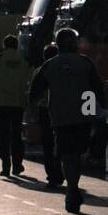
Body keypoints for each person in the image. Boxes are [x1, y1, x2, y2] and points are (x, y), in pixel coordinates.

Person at [29, 27, 106, 213]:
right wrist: (96, 113)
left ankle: (72, 189)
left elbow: (34, 92)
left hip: (60, 118)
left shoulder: (49, 65)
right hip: (83, 117)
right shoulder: (85, 63)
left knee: (66, 155)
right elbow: (98, 91)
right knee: (78, 154)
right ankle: (73, 186)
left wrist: (38, 110)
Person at [0, 34, 34, 178]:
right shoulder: (24, 60)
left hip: (1, 103)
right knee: (17, 135)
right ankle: (17, 165)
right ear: (17, 45)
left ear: (4, 45)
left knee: (4, 135)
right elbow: (32, 79)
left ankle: (5, 166)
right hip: (18, 103)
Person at [36, 43, 63, 186]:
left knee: (47, 144)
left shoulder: (41, 70)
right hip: (62, 109)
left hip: (45, 111)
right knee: (61, 143)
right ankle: (59, 172)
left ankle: (52, 175)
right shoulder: (66, 69)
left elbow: (34, 92)